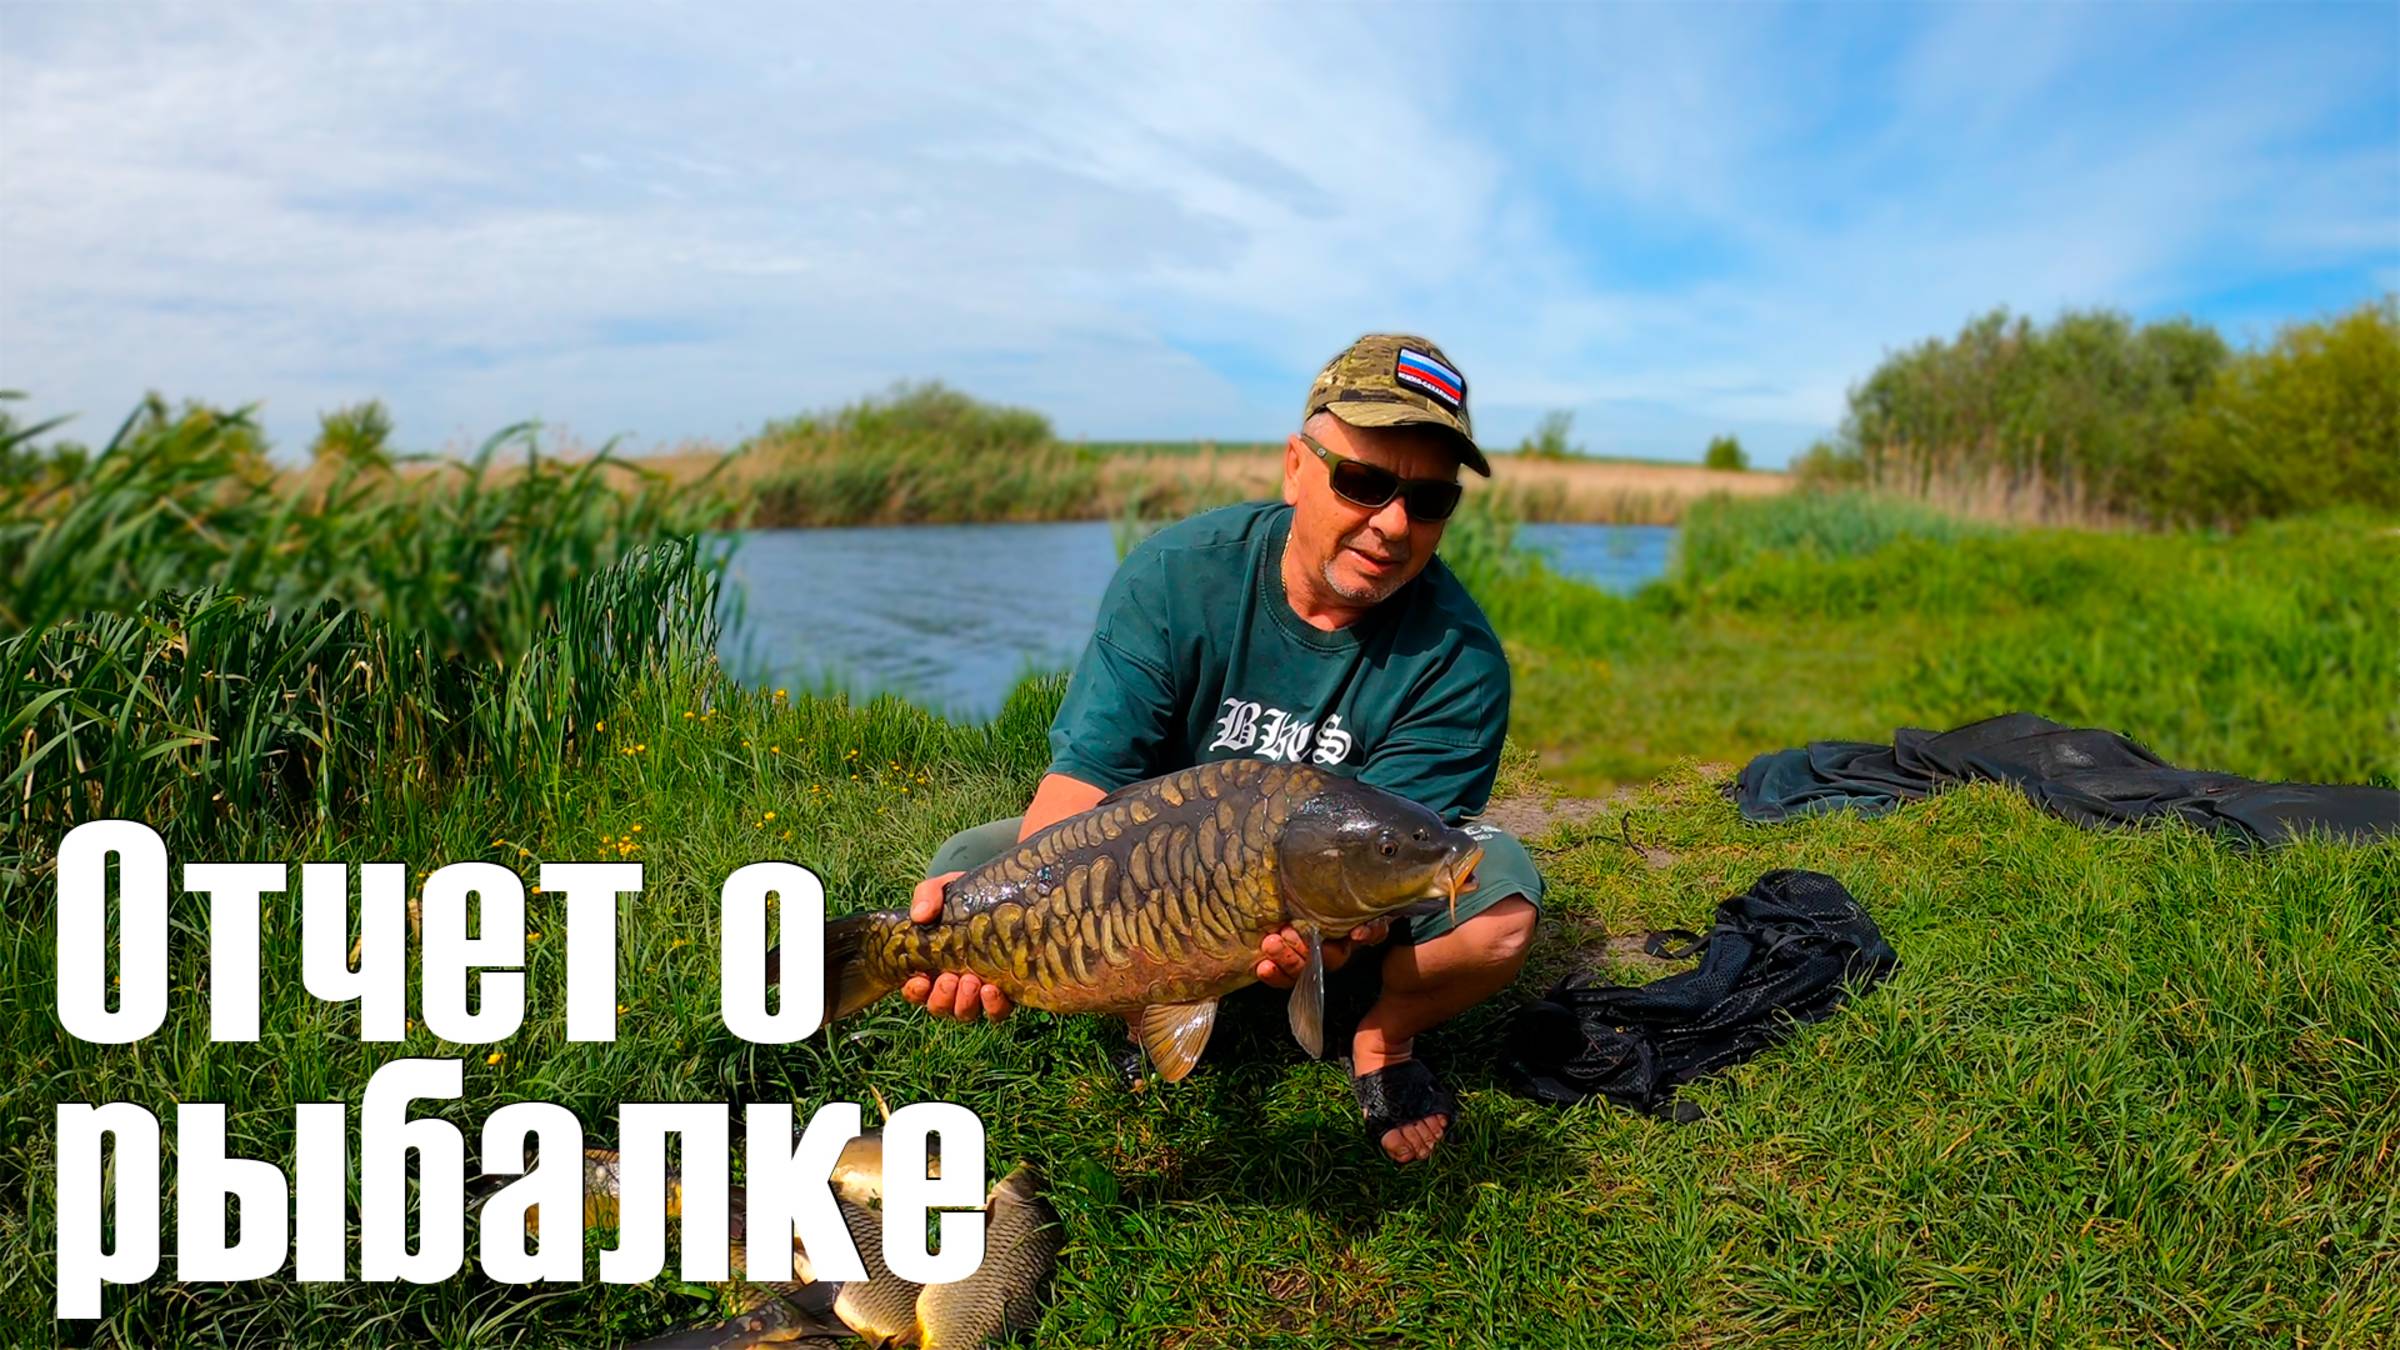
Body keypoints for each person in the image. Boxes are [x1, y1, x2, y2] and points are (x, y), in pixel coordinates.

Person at [899, 333, 1543, 1164]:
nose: (1392, 525)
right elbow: (1084, 782)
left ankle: (1383, 1039)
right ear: (1296, 468)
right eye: (1363, 483)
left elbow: (1391, 869)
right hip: (1148, 874)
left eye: (1428, 500)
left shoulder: (1460, 660)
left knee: (1500, 910)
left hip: (1321, 899)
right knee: (964, 873)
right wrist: (1014, 913)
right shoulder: (1177, 575)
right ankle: (1138, 999)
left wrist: (1328, 944)